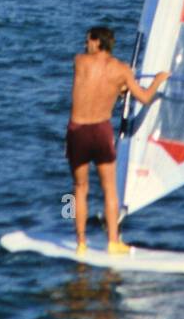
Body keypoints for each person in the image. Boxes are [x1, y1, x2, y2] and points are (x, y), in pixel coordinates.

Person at [66, 26, 168, 254]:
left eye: (88, 41)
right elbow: (144, 97)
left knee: (80, 188)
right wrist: (158, 80)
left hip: (78, 131)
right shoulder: (122, 70)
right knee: (109, 188)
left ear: (96, 42)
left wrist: (120, 86)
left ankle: (81, 243)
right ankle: (113, 241)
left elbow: (92, 82)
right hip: (101, 132)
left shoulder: (80, 61)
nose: (85, 45)